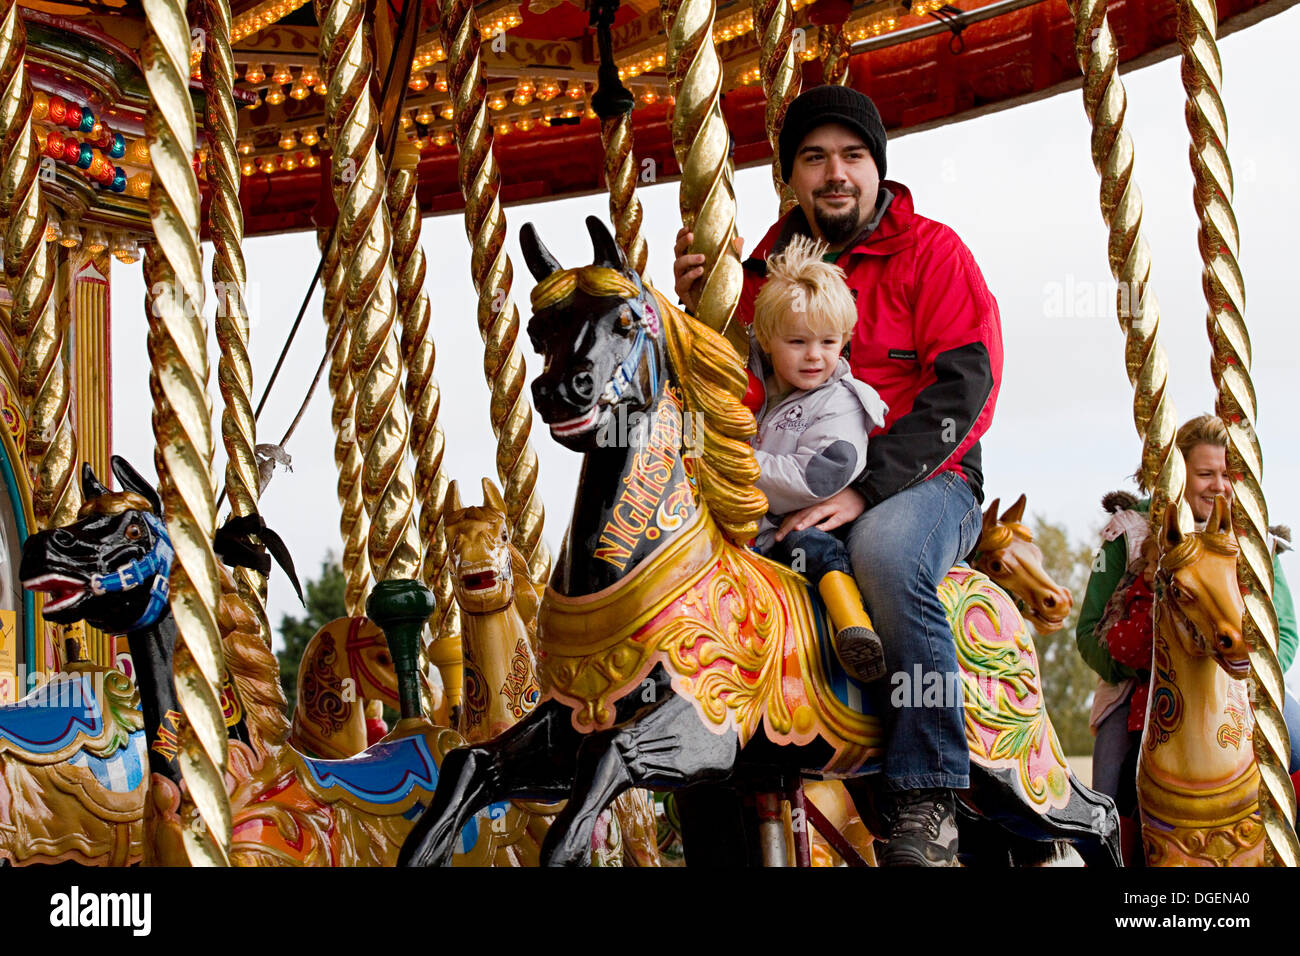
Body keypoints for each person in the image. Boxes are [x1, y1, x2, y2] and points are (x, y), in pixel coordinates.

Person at [674, 85, 1003, 866]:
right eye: (815, 158)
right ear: (791, 177)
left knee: (885, 552)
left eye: (852, 156)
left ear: (876, 169)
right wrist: (699, 317)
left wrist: (864, 490)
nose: (836, 174)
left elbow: (966, 389)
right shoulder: (755, 274)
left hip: (927, 480)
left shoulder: (932, 252)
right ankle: (709, 790)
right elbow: (736, 407)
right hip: (790, 481)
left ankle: (924, 795)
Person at [1075, 413, 1300, 864]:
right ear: (1178, 474)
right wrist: (1155, 658)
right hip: (1144, 688)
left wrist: (1245, 663)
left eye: (1227, 475)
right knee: (1107, 782)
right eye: (1205, 474)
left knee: (1299, 737)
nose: (1218, 485)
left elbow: (1287, 634)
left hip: (1243, 682)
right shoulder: (1132, 534)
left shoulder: (1253, 538)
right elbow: (1088, 633)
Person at [748, 234, 889, 682]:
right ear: (767, 340)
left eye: (828, 342)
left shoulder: (843, 401)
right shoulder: (757, 380)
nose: (814, 356)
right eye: (797, 342)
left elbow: (818, 476)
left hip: (803, 521)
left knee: (812, 546)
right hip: (749, 522)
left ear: (844, 341)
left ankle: (852, 624)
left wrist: (738, 465)